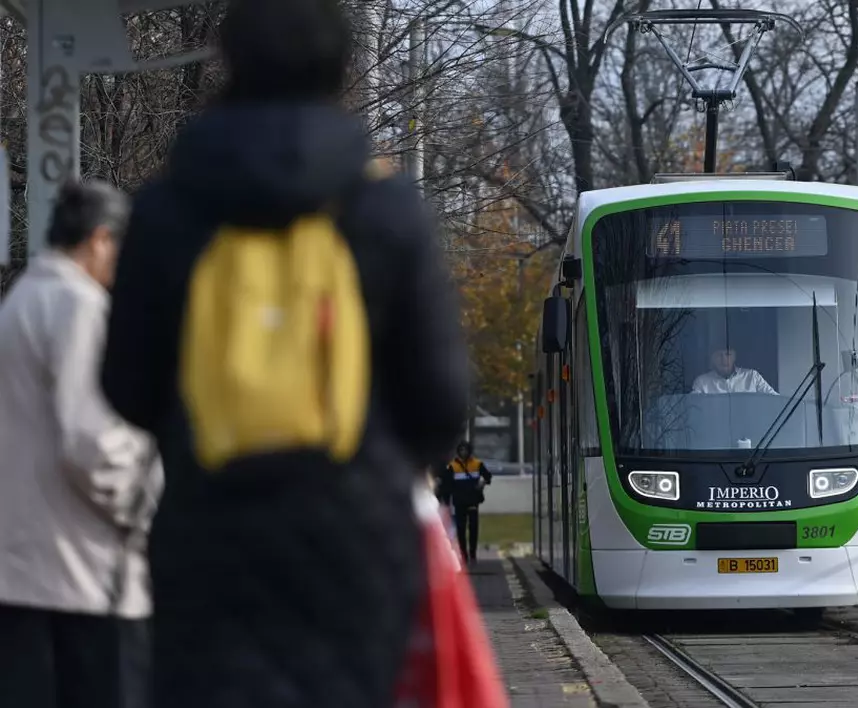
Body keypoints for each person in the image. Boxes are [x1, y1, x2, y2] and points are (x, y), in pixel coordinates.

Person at [97, 0, 471, 705]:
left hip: (208, 536)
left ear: (230, 59)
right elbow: (440, 400)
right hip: (357, 547)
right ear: (339, 65)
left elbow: (126, 385)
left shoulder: (167, 210)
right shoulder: (385, 209)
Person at [0, 180, 162, 708]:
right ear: (99, 239)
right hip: (85, 573)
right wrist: (145, 505)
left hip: (23, 569)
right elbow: (93, 441)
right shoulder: (80, 307)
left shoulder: (22, 299)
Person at [437, 442, 493, 565]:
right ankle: (464, 554)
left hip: (472, 500)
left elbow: (488, 476)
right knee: (461, 528)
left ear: (469, 451)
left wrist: (482, 483)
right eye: (461, 450)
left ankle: (472, 553)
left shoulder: (477, 464)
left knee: (473, 527)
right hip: (459, 501)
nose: (463, 452)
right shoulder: (452, 466)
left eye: (465, 450)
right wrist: (446, 500)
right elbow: (446, 484)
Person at [691, 347, 778, 394]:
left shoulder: (752, 377)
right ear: (713, 359)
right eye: (719, 355)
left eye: (728, 354)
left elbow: (774, 400)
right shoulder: (702, 382)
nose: (724, 359)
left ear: (734, 357)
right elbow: (692, 408)